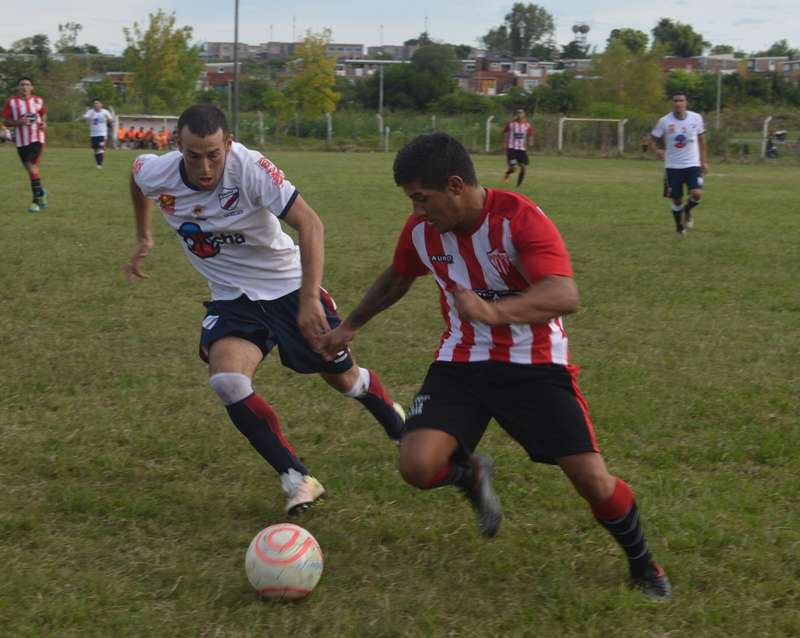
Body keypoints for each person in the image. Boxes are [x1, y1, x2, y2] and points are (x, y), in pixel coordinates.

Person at [318, 133, 672, 600]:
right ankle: (472, 474)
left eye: (422, 199)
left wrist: (495, 312)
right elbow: (398, 276)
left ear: (456, 185)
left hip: (535, 365)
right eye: (411, 201)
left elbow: (565, 294)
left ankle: (644, 564)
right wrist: (350, 326)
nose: (417, 212)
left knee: (591, 480)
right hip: (462, 363)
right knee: (417, 466)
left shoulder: (518, 219)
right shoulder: (422, 231)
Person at [124, 104, 405, 515]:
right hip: (232, 297)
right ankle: (296, 477)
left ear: (229, 145)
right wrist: (144, 236)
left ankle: (393, 418)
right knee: (227, 382)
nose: (204, 166)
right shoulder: (157, 172)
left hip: (287, 285)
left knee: (343, 380)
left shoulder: (251, 168)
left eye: (214, 154)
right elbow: (136, 178)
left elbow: (310, 224)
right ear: (176, 146)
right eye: (193, 155)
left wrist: (309, 298)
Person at [649, 92, 708, 235]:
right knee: (676, 200)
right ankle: (679, 228)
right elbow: (650, 139)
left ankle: (687, 210)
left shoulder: (696, 118)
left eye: (681, 100)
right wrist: (657, 150)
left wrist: (704, 161)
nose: (678, 103)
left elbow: (701, 140)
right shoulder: (664, 121)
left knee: (697, 193)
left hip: (693, 164)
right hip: (672, 167)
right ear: (672, 103)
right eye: (675, 100)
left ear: (686, 102)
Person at [2, 76, 48, 212]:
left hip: (37, 138)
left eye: (27, 84)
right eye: (22, 84)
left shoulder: (38, 100)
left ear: (31, 87)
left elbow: (43, 114)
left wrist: (45, 123)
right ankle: (42, 193)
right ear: (18, 87)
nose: (24, 87)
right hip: (21, 141)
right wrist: (18, 122)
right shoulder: (12, 102)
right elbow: (5, 121)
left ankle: (35, 202)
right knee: (31, 170)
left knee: (32, 167)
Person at [502, 108, 533, 187]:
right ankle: (507, 174)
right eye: (518, 113)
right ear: (516, 115)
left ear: (524, 114)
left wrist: (530, 142)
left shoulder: (527, 125)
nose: (519, 114)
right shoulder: (511, 124)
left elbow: (530, 135)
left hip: (521, 149)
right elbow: (505, 132)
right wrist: (505, 143)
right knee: (513, 168)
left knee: (523, 167)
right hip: (512, 148)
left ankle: (519, 185)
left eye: (521, 113)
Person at [82, 99, 113, 168]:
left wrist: (108, 120)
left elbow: (110, 120)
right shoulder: (91, 112)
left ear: (101, 104)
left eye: (97, 103)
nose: (96, 105)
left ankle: (99, 164)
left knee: (100, 148)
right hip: (93, 134)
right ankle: (99, 163)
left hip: (102, 133)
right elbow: (85, 117)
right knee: (96, 150)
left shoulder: (105, 112)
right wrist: (84, 117)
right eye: (95, 103)